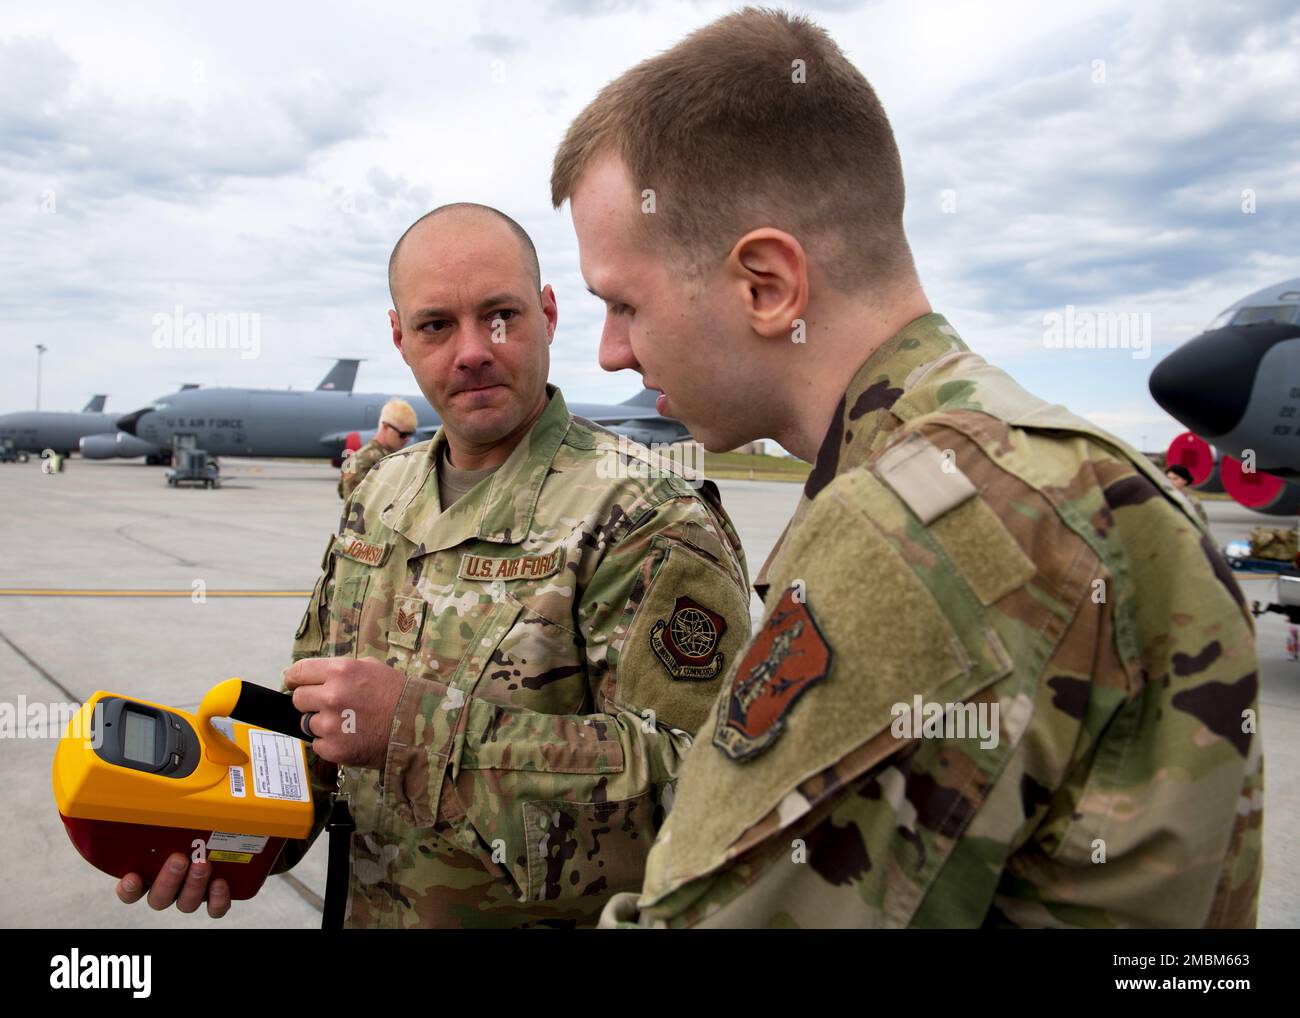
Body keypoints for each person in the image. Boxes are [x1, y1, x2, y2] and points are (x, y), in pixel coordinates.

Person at [540, 8, 1257, 927]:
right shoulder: (1078, 477)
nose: (608, 354)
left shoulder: (917, 531)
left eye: (623, 304)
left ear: (767, 285)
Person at [116, 202, 753, 926]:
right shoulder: (379, 493)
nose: (473, 349)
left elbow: (701, 793)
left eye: (501, 315)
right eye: (436, 324)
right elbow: (320, 741)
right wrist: (229, 840)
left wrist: (418, 729)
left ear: (547, 314)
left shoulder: (647, 515)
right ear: (400, 336)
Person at [337, 398, 418, 499]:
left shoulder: (393, 457)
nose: (407, 439)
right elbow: (355, 507)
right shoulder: (361, 462)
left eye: (411, 434)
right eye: (403, 434)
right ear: (385, 426)